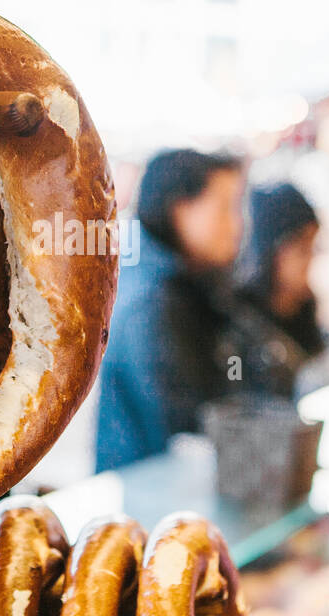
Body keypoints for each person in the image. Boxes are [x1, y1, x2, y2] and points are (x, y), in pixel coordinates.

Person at [95, 149, 244, 472]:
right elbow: (186, 431)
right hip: (145, 505)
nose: (237, 226)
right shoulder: (152, 304)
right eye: (225, 209)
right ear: (180, 210)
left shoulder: (191, 284)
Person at [224, 183, 325, 398]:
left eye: (313, 248)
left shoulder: (304, 308)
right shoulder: (238, 317)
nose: (310, 261)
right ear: (270, 253)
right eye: (301, 250)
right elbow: (235, 392)